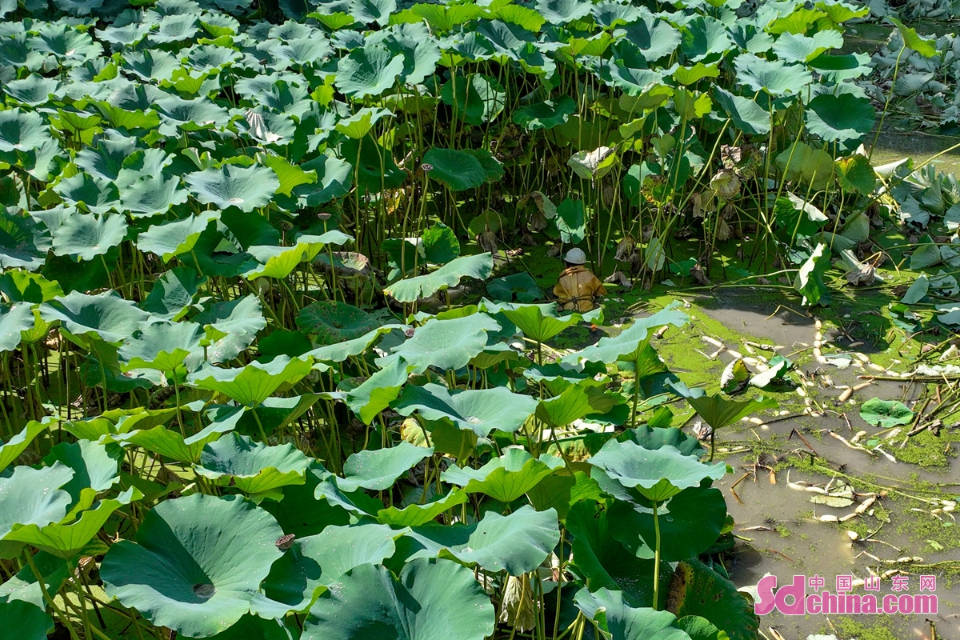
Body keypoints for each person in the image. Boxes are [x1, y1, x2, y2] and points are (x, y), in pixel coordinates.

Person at [553, 247, 606, 312]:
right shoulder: (590, 276)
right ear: (583, 263)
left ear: (566, 263)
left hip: (568, 310)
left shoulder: (562, 278)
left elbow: (557, 294)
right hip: (587, 309)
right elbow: (601, 292)